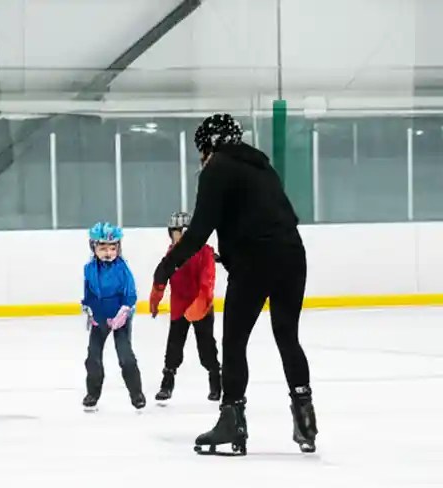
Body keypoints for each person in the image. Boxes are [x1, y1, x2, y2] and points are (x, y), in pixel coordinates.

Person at [153, 113, 317, 455]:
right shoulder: (262, 167)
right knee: (287, 334)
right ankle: (305, 419)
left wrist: (164, 270)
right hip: (292, 255)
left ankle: (232, 421)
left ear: (209, 146)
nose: (202, 158)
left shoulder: (217, 168)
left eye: (202, 151)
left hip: (255, 262)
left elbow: (198, 232)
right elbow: (263, 216)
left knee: (234, 342)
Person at [148, 211, 221, 404]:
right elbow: (162, 274)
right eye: (176, 232)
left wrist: (201, 302)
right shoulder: (172, 254)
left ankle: (216, 379)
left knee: (206, 347)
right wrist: (157, 293)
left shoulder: (205, 253)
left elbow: (208, 282)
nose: (181, 236)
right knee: (174, 346)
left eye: (185, 231)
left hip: (202, 306)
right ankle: (167, 382)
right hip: (179, 306)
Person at [81, 222, 145, 411]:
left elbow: (131, 294)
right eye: (103, 247)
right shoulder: (89, 269)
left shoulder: (122, 269)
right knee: (93, 358)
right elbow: (89, 293)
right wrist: (88, 308)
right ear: (93, 247)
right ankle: (92, 393)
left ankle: (137, 394)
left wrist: (124, 311)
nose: (108, 252)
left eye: (112, 247)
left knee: (126, 357)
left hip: (120, 317)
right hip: (99, 318)